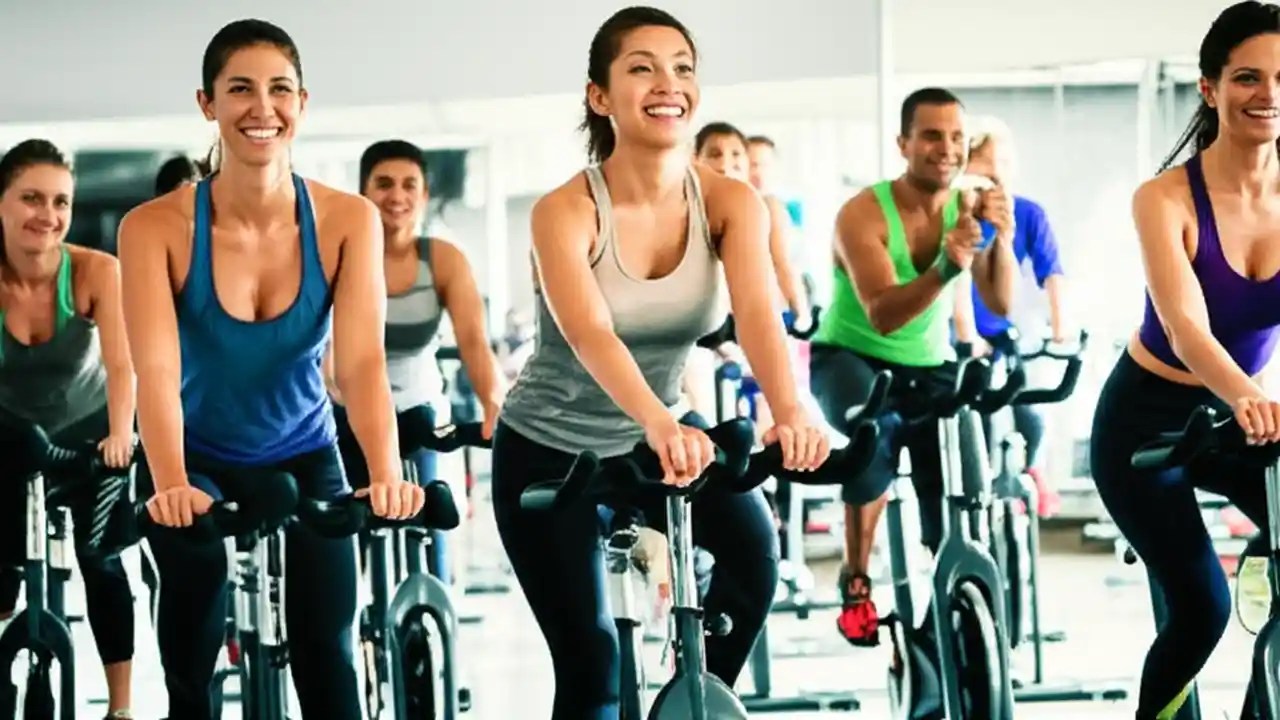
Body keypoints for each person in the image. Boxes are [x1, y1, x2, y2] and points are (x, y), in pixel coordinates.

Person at [491, 7, 830, 718]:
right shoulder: (564, 210)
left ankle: (691, 698)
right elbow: (588, 331)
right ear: (600, 95)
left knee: (751, 564)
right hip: (551, 447)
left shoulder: (733, 201)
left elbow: (759, 316)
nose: (666, 83)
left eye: (681, 66)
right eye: (641, 68)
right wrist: (657, 420)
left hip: (663, 432)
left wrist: (792, 410)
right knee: (590, 662)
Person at [115, 19, 424, 720]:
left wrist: (384, 471)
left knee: (328, 652)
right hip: (193, 459)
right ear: (207, 104)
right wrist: (167, 485)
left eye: (280, 89)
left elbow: (362, 362)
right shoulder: (154, 228)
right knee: (192, 643)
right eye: (240, 89)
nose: (262, 108)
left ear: (303, 102)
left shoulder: (349, 220)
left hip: (306, 452)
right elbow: (155, 373)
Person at [1089, 3, 1280, 718]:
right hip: (1147, 420)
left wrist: (1250, 405)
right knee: (1200, 606)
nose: (1268, 94)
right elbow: (1185, 326)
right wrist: (1248, 398)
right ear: (1210, 88)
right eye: (1248, 77)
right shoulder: (1164, 197)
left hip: (1240, 416)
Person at [808, 87, 1019, 646]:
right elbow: (882, 314)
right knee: (873, 433)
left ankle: (952, 578)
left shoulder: (967, 205)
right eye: (931, 135)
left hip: (929, 363)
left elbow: (999, 303)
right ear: (904, 143)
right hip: (850, 355)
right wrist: (948, 266)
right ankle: (856, 577)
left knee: (948, 455)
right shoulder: (862, 213)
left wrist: (1001, 240)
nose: (946, 149)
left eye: (956, 138)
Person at [0, 140, 138, 720]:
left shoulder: (95, 271)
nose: (47, 215)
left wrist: (122, 434)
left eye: (60, 201)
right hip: (9, 431)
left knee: (101, 559)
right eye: (31, 198)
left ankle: (121, 707)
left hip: (87, 432)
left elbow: (125, 364)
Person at [327, 139, 505, 583]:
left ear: (424, 196)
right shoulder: (337, 258)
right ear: (363, 192)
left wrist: (493, 404)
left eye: (410, 185)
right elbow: (326, 349)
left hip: (418, 410)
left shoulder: (443, 260)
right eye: (383, 184)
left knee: (429, 529)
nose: (397, 195)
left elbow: (474, 344)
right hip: (344, 408)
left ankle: (431, 609)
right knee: (350, 540)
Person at [951, 120, 1069, 518]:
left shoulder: (1028, 213)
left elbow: (1052, 272)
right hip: (956, 335)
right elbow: (954, 277)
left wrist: (1061, 326)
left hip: (1004, 333)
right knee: (976, 426)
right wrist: (967, 335)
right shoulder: (955, 213)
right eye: (984, 162)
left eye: (1002, 161)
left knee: (1029, 415)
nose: (994, 169)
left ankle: (1031, 470)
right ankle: (976, 500)